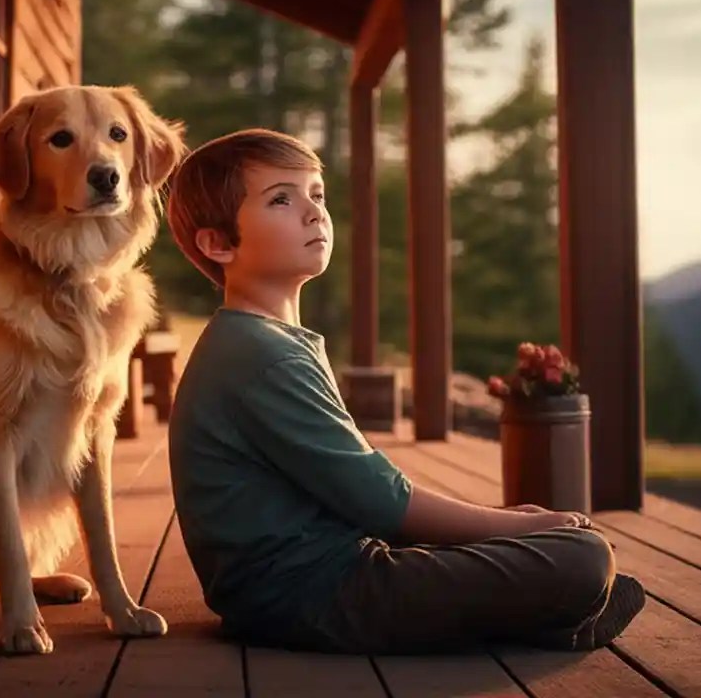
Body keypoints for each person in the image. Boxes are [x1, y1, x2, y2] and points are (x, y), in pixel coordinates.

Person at [163, 128, 645, 654]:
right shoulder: (260, 353)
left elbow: (359, 492)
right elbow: (381, 501)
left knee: (571, 552)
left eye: (317, 194)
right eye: (282, 199)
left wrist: (516, 528)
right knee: (583, 558)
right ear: (218, 243)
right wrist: (518, 525)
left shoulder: (262, 340)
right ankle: (559, 613)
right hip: (308, 594)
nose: (313, 213)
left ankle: (552, 611)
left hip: (314, 578)